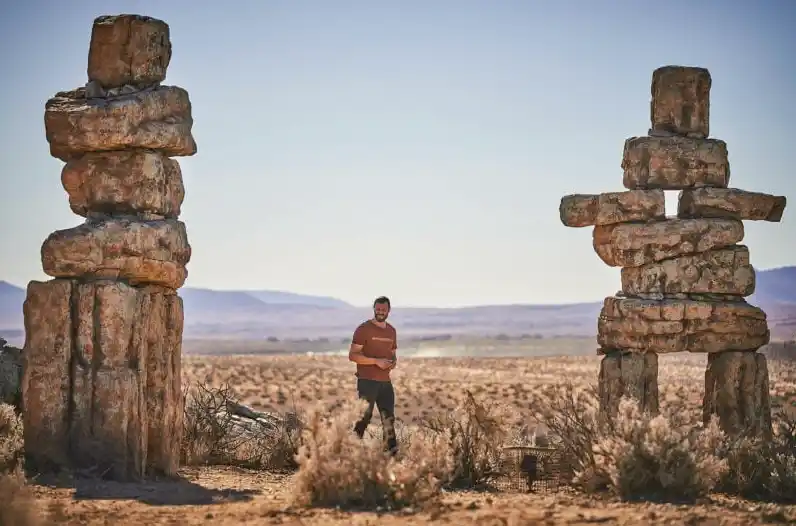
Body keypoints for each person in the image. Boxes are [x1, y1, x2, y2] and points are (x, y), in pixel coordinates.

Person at [348, 295, 399, 455]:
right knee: (364, 417)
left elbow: (393, 354)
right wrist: (376, 362)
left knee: (388, 419)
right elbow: (353, 355)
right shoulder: (364, 329)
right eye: (377, 309)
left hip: (385, 382)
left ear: (389, 310)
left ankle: (391, 455)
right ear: (374, 309)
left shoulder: (391, 331)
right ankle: (351, 452)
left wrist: (393, 362)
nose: (380, 312)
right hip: (367, 381)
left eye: (383, 310)